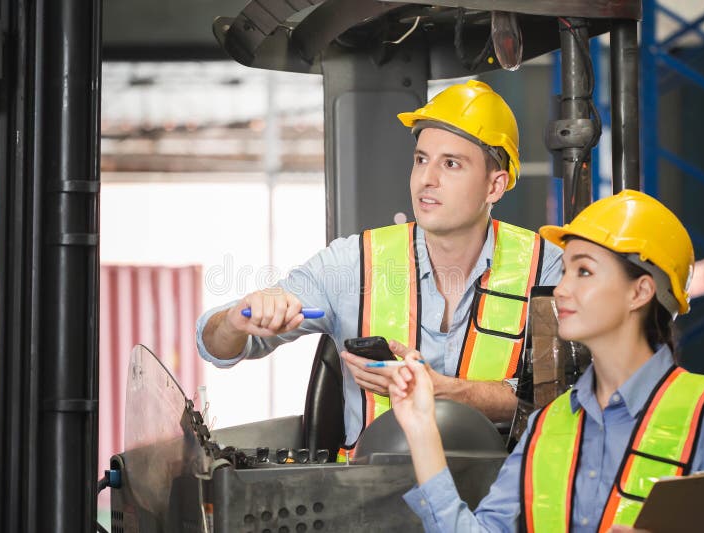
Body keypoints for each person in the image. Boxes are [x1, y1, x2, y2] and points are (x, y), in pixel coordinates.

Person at [196, 80, 563, 457]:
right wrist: (235, 323)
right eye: (421, 159)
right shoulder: (352, 264)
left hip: (495, 500)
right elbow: (216, 347)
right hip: (371, 499)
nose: (426, 179)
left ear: (495, 186)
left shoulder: (545, 269)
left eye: (450, 164)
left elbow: (562, 396)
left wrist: (443, 391)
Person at [388, 189, 704, 532]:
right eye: (565, 270)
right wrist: (421, 426)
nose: (562, 288)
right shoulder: (548, 424)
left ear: (640, 291)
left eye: (584, 271)